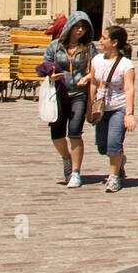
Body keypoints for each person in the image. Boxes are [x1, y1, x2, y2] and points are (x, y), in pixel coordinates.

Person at [40, 11, 94, 187]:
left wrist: (87, 78)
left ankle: (76, 172)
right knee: (56, 134)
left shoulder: (89, 48)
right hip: (58, 93)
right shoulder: (55, 46)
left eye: (83, 28)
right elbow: (44, 65)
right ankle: (66, 159)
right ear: (69, 26)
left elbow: (96, 68)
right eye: (77, 27)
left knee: (75, 131)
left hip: (79, 93)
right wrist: (50, 74)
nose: (80, 31)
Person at [91, 25, 136, 193]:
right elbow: (93, 84)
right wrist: (90, 106)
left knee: (113, 144)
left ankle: (114, 177)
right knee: (102, 147)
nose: (100, 41)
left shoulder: (126, 64)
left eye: (104, 38)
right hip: (102, 108)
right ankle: (119, 160)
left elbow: (129, 88)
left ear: (115, 42)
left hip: (119, 108)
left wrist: (129, 114)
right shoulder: (96, 60)